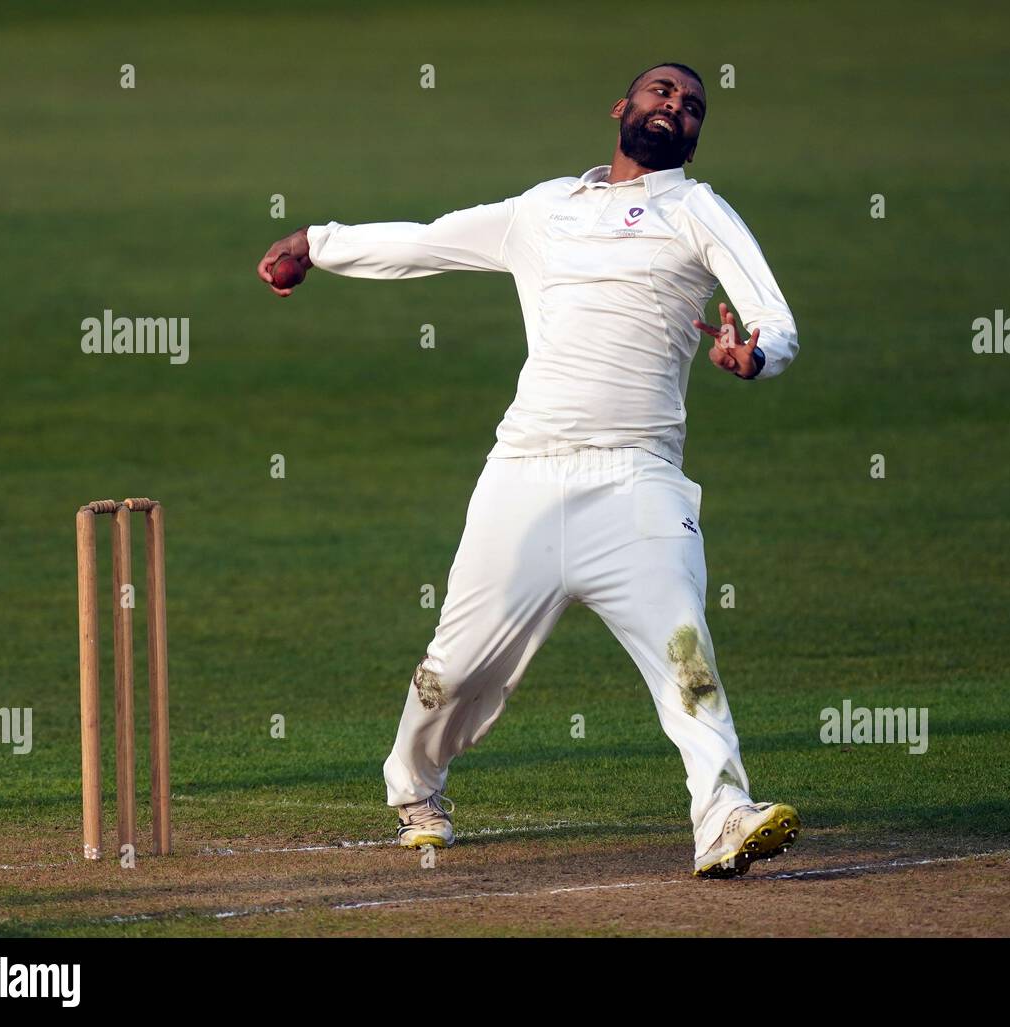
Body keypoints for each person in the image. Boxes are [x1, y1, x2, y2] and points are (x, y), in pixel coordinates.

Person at [257, 62, 800, 878]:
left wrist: (753, 356)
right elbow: (430, 239)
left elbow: (773, 315)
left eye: (692, 106)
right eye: (661, 93)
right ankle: (415, 786)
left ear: (694, 135)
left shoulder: (696, 209)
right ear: (622, 108)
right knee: (455, 667)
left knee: (687, 653)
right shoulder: (544, 209)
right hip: (527, 474)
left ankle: (723, 815)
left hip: (638, 479)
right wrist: (317, 245)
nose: (675, 108)